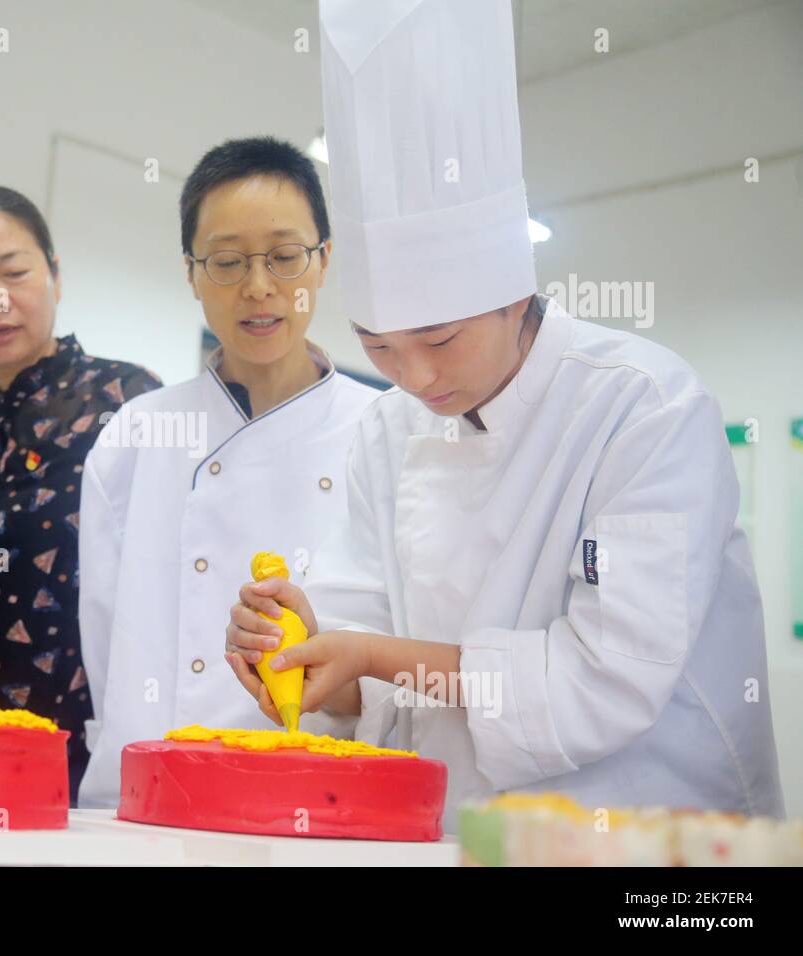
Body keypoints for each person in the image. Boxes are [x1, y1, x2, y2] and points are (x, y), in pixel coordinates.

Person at [226, 0, 784, 828]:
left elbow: (608, 679)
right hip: (452, 830)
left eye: (440, 339)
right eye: (377, 347)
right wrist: (314, 659)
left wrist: (375, 655)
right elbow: (363, 659)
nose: (412, 377)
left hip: (646, 839)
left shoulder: (641, 406)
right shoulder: (389, 430)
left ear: (514, 293)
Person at [76, 137, 378, 808]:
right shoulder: (137, 431)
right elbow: (101, 627)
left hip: (314, 795)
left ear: (324, 262)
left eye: (284, 256)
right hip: (145, 795)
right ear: (191, 273)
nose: (259, 286)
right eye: (227, 261)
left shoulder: (384, 433)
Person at [0, 186, 160, 803]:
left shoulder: (127, 401)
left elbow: (164, 583)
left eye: (15, 273)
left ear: (55, 277)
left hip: (76, 750)